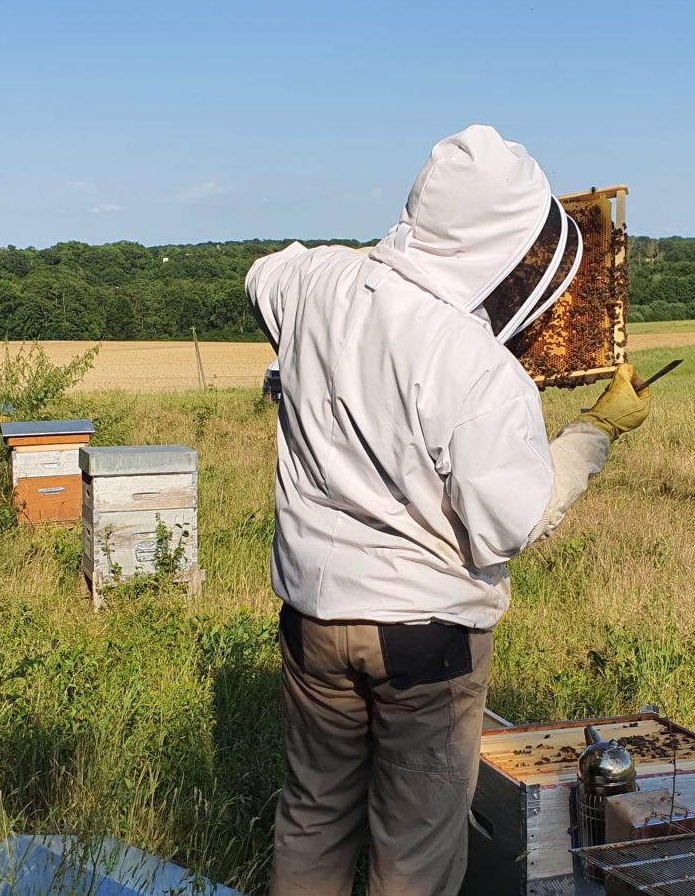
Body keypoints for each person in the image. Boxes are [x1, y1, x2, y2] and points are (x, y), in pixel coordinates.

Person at [246, 124, 653, 896]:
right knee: (415, 849)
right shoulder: (475, 366)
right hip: (424, 640)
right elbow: (515, 520)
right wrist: (595, 431)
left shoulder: (315, 284)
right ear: (504, 243)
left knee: (312, 815)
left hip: (312, 623)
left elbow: (263, 274)